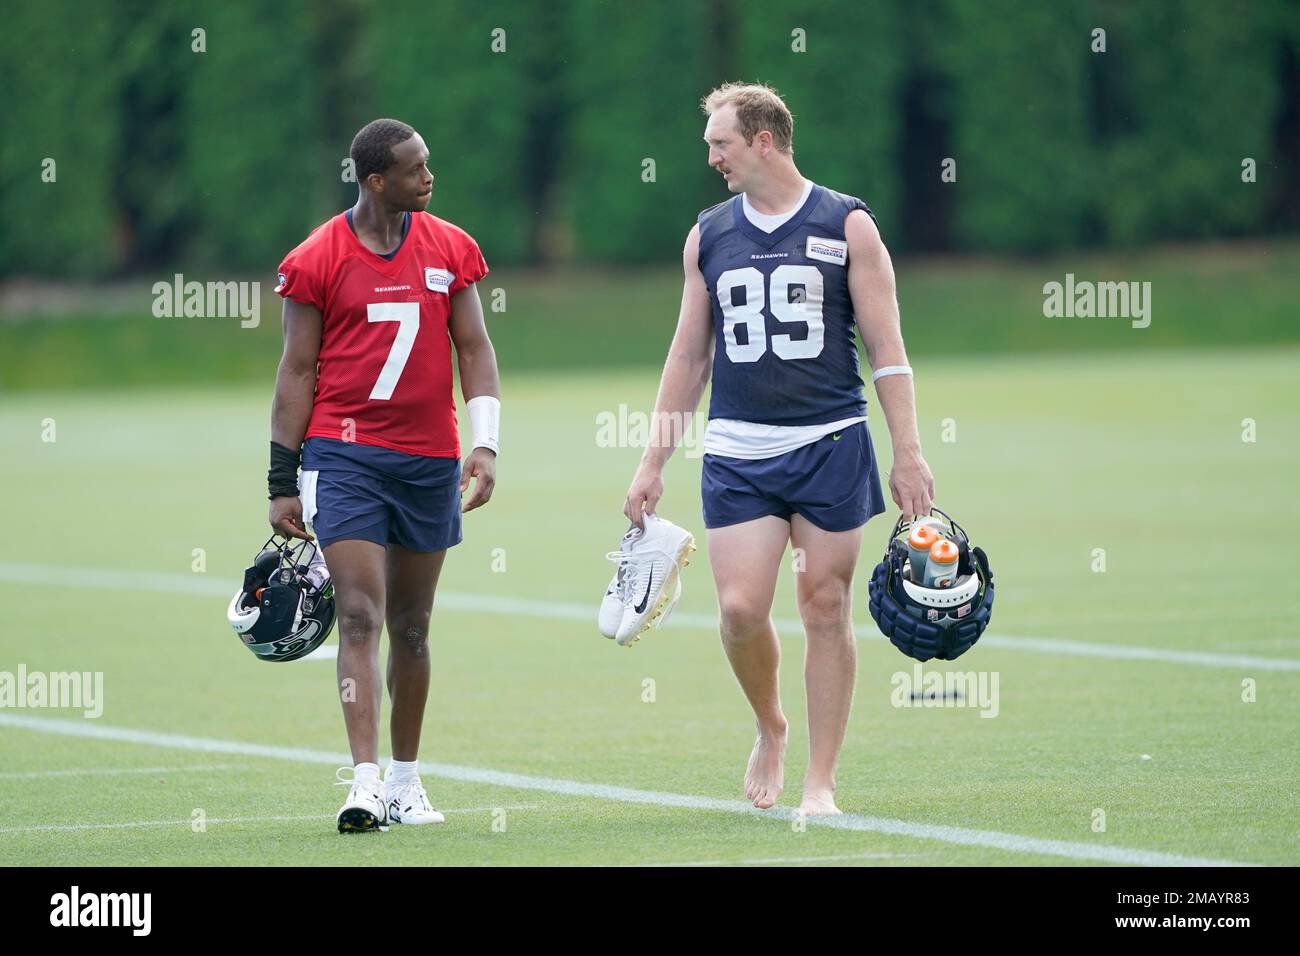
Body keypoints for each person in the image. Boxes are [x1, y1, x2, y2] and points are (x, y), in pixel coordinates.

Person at [622, 83, 934, 816]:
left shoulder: (848, 224)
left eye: (720, 143)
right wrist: (652, 459)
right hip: (738, 449)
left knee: (824, 604)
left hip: (830, 440)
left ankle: (821, 781)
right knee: (737, 608)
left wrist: (909, 451)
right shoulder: (709, 234)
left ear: (764, 140)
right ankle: (771, 724)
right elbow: (688, 357)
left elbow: (887, 349)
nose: (711, 157)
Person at [268, 118, 501, 832]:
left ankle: (406, 779)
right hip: (345, 457)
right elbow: (298, 371)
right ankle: (364, 783)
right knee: (361, 615)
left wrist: (485, 444)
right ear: (376, 181)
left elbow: (475, 349)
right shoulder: (317, 257)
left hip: (429, 459)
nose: (430, 176)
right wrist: (281, 478)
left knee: (414, 626)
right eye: (416, 168)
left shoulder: (450, 247)